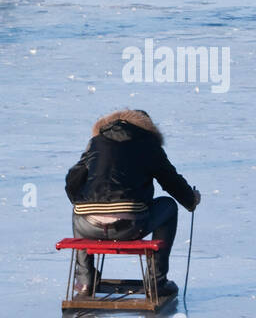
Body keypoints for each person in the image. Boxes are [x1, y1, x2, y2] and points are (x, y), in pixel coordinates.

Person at [64, 109, 201, 299]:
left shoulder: (96, 143)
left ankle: (85, 282)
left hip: (89, 226)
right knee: (168, 206)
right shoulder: (148, 144)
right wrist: (190, 200)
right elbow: (170, 180)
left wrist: (83, 203)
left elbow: (73, 179)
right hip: (130, 226)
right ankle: (157, 281)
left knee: (79, 210)